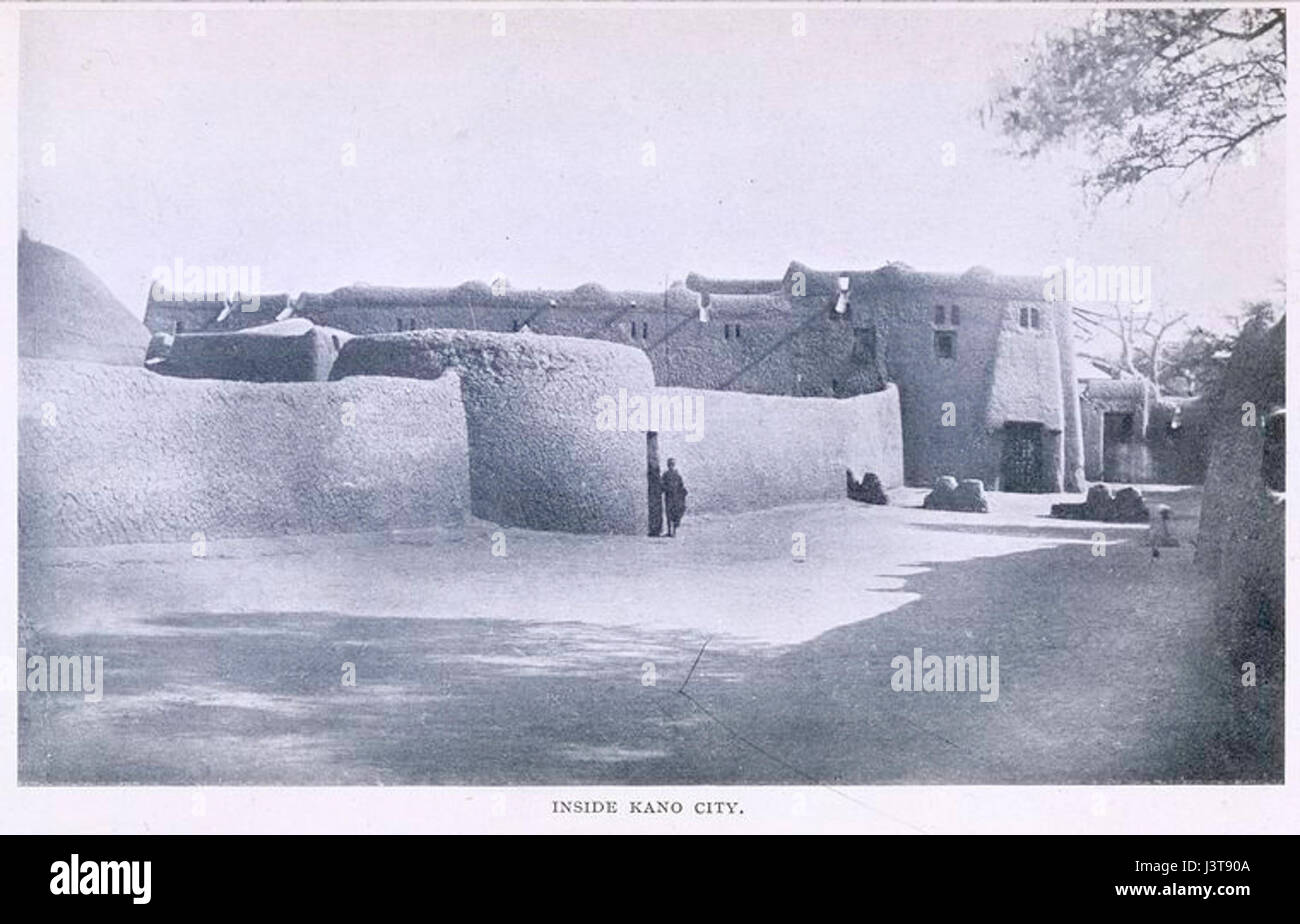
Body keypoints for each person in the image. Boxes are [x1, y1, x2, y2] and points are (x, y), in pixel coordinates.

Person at [661, 458, 688, 537]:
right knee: (669, 515)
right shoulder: (666, 475)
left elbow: (681, 486)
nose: (671, 466)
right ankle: (670, 531)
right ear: (668, 465)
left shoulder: (677, 476)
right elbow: (662, 485)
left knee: (674, 514)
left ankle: (673, 531)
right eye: (670, 464)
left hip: (675, 497)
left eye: (672, 464)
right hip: (669, 497)